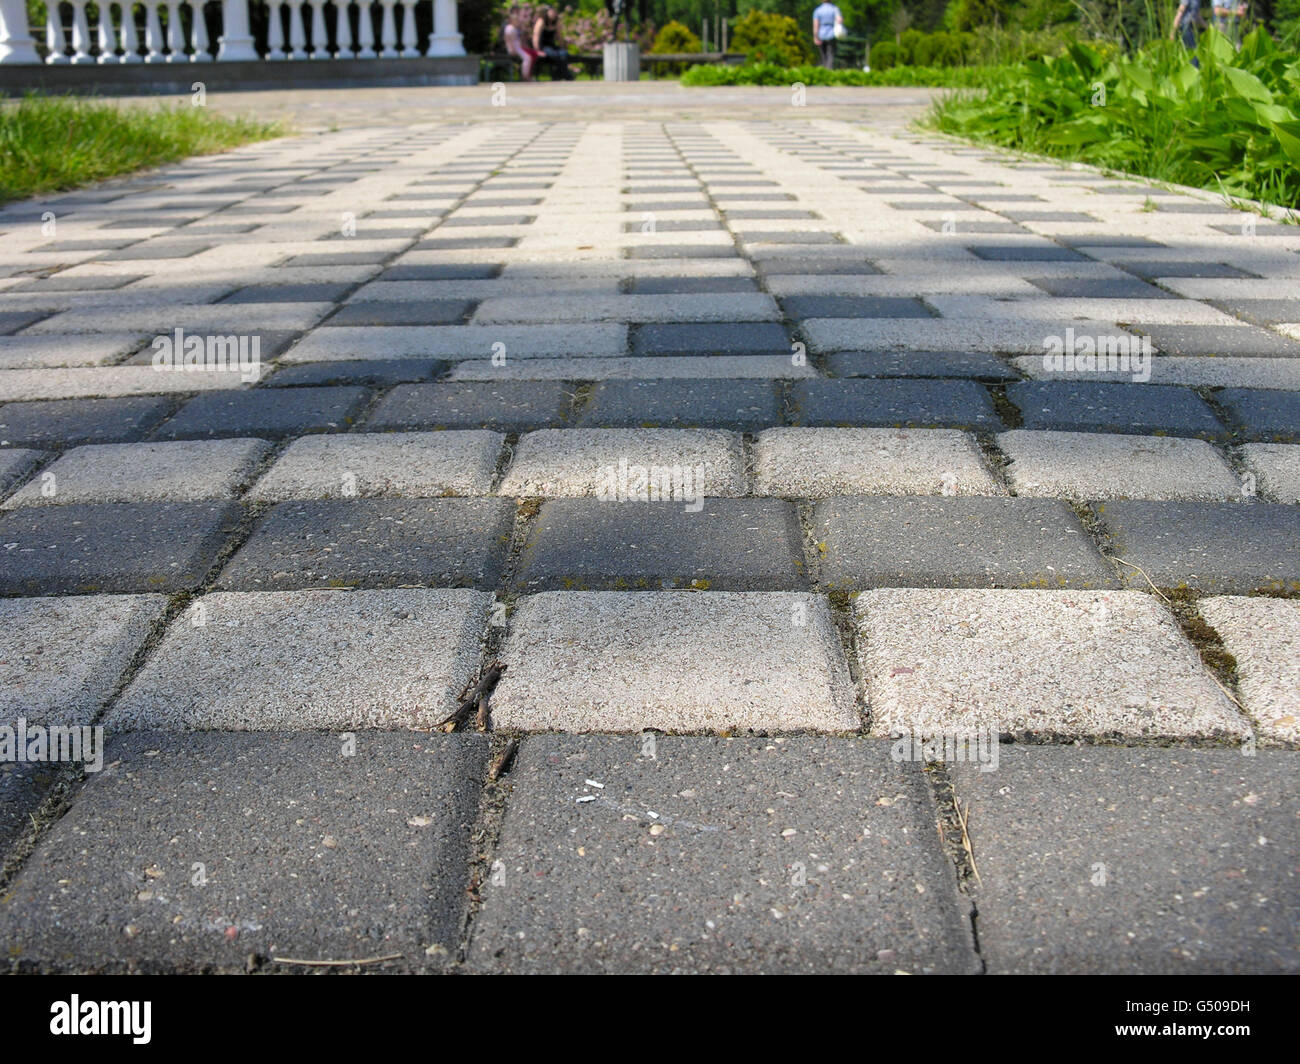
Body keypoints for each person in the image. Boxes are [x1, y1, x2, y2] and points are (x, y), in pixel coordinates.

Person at [534, 6, 575, 81]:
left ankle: (557, 75)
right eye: (552, 12)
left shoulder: (556, 22)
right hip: (543, 47)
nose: (554, 14)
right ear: (547, 13)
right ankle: (566, 75)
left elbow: (559, 37)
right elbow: (536, 36)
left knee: (564, 53)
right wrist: (537, 50)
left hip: (552, 46)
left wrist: (562, 47)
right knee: (554, 55)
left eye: (555, 12)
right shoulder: (541, 21)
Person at [503, 6, 543, 80]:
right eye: (516, 20)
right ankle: (525, 76)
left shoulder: (514, 28)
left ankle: (527, 74)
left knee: (530, 56)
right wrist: (512, 50)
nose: (518, 22)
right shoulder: (510, 28)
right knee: (527, 58)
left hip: (518, 47)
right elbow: (509, 41)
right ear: (512, 21)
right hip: (514, 49)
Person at [812, 2, 844, 70]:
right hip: (831, 34)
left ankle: (824, 70)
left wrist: (815, 37)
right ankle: (829, 70)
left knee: (823, 56)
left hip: (821, 34)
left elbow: (816, 25)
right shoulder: (834, 9)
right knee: (830, 55)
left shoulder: (818, 10)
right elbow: (839, 20)